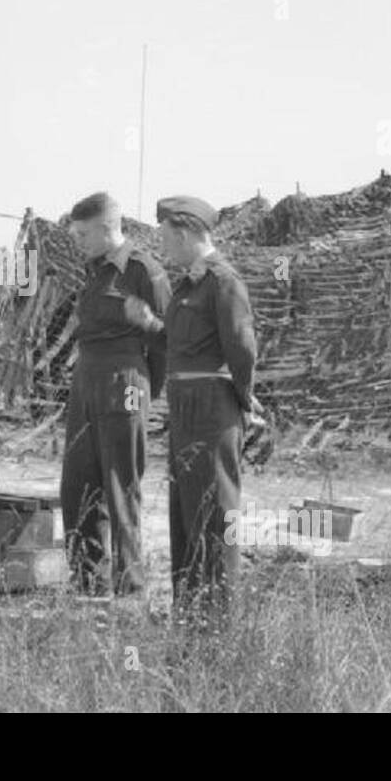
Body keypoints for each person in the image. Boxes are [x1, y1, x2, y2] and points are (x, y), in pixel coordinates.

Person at [126, 196, 259, 620]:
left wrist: (245, 403)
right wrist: (148, 323)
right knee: (185, 511)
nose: (164, 247)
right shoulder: (187, 285)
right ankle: (190, 612)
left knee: (216, 511)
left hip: (213, 405)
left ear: (184, 234)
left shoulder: (223, 281)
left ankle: (219, 615)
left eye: (166, 237)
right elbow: (177, 345)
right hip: (185, 406)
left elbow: (242, 348)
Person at [60, 192, 172, 598]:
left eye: (84, 233)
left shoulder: (144, 270)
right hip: (87, 380)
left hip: (125, 382)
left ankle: (131, 586)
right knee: (76, 486)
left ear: (108, 228)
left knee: (120, 485)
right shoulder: (93, 270)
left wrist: (143, 391)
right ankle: (88, 581)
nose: (78, 241)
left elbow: (170, 340)